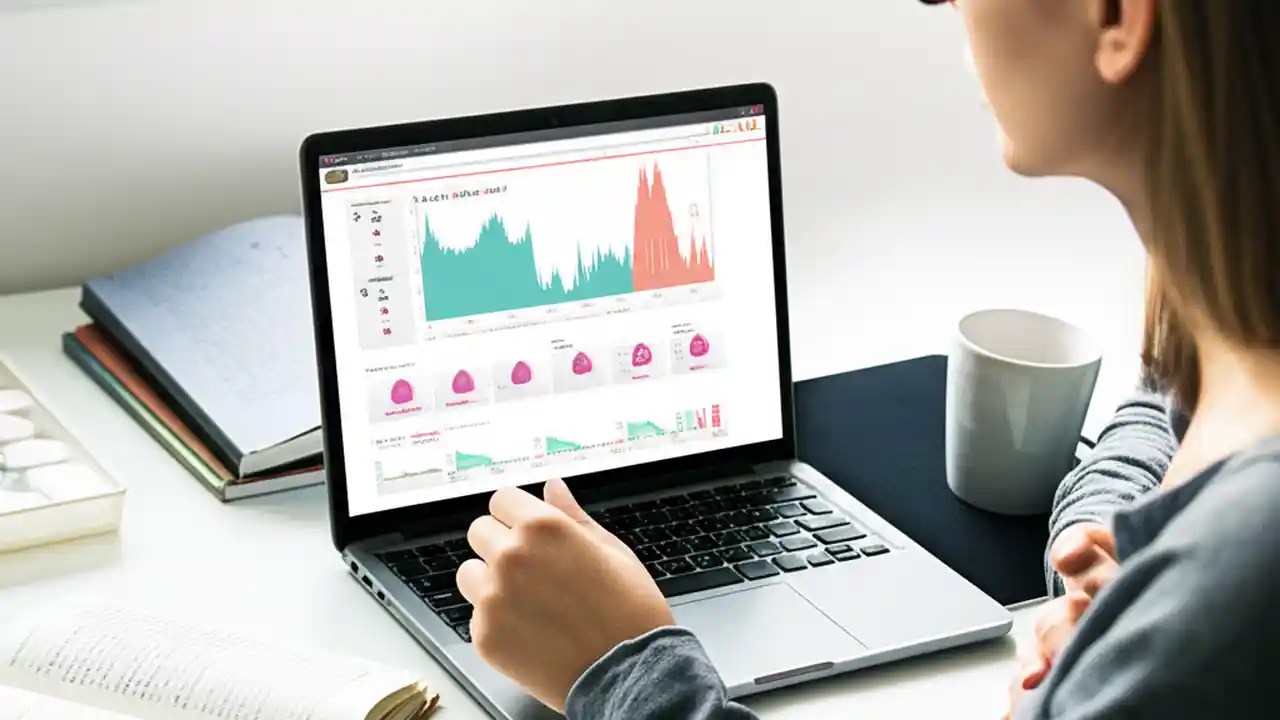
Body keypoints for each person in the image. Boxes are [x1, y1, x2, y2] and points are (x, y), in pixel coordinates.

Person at [455, 1, 1280, 717]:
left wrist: (626, 666)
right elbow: (1172, 400)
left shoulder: (1232, 583)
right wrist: (1121, 581)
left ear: (1117, 15)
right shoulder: (1236, 341)